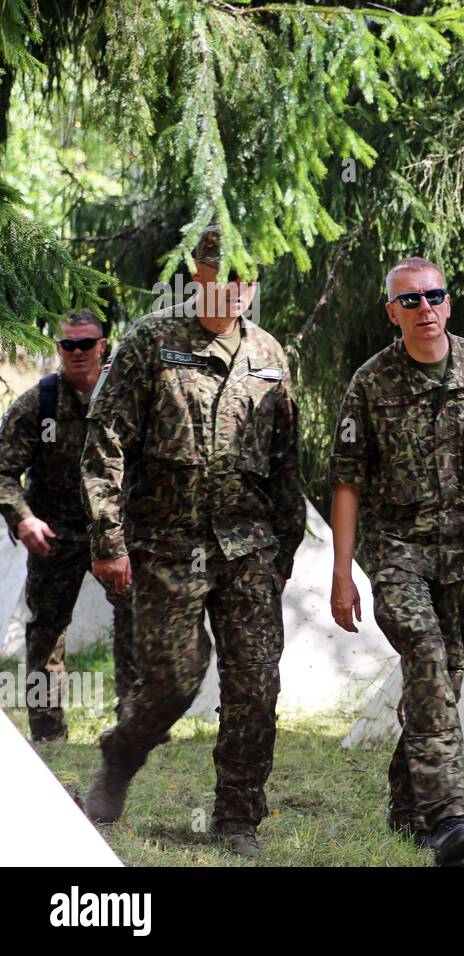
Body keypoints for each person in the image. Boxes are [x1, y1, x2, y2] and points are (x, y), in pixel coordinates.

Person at [81, 225, 305, 857]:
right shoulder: (153, 342)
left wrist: (286, 549)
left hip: (249, 549)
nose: (232, 288)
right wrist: (109, 539)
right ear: (197, 274)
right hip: (166, 546)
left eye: (243, 277)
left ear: (253, 283)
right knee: (176, 680)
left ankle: (238, 817)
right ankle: (120, 755)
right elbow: (106, 443)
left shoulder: (268, 353)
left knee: (255, 685)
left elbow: (287, 460)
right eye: (219, 273)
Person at [329, 256, 464, 866]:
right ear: (392, 312)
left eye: (433, 297)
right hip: (396, 550)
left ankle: (406, 803)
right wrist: (342, 574)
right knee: (425, 656)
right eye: (410, 301)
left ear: (449, 303)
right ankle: (449, 816)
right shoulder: (370, 384)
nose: (424, 309)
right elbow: (348, 483)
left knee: (442, 680)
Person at [0, 310, 133, 741]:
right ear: (59, 349)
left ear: (103, 344)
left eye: (87, 343)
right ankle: (47, 730)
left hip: (115, 534)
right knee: (46, 632)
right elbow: (3, 472)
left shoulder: (126, 398)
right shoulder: (40, 402)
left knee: (137, 624)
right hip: (54, 534)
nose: (78, 353)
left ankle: (135, 726)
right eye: (68, 345)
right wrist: (24, 519)